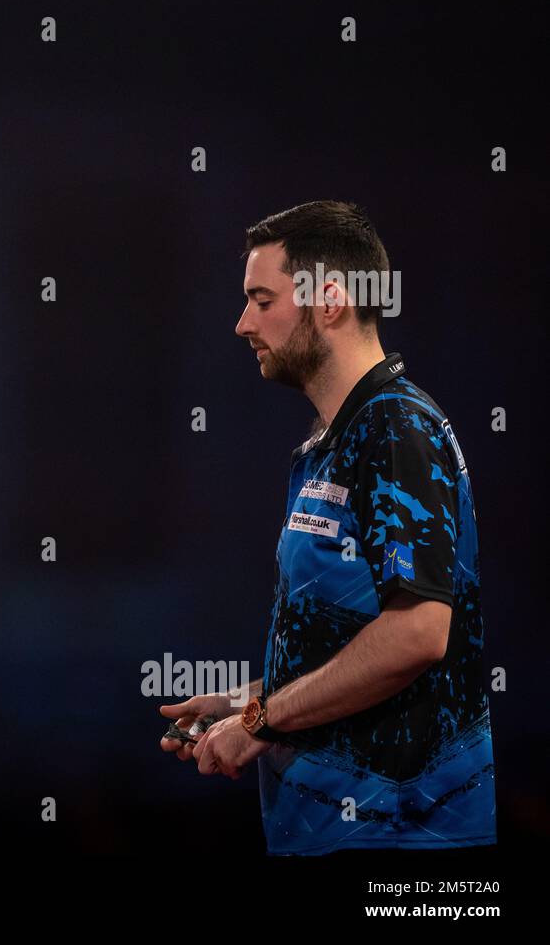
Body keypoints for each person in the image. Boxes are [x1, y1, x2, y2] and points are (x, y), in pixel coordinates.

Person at [159, 201, 495, 855]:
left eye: (261, 300)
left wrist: (261, 720)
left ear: (330, 300)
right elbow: (357, 644)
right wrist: (246, 700)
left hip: (398, 848)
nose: (241, 324)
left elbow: (416, 636)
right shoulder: (333, 443)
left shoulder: (395, 429)